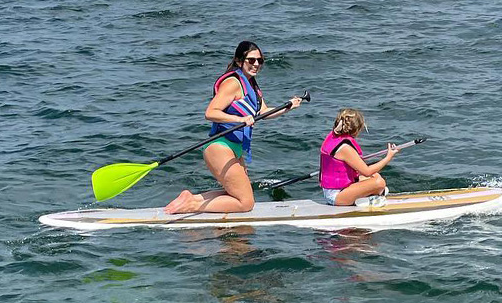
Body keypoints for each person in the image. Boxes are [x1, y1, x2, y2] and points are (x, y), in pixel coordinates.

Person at [164, 41, 302, 214]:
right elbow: (211, 112)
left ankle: (193, 198)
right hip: (220, 147)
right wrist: (240, 119)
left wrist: (287, 107)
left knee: (237, 194)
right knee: (245, 203)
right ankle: (192, 206)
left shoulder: (251, 84)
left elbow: (263, 112)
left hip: (234, 148)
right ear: (239, 61)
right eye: (251, 60)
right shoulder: (233, 83)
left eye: (260, 60)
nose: (257, 64)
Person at [319, 108, 400, 206]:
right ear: (356, 129)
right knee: (379, 183)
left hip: (335, 189)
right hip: (336, 196)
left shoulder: (334, 136)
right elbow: (366, 171)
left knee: (375, 176)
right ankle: (366, 199)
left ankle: (367, 196)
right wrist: (388, 157)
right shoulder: (345, 148)